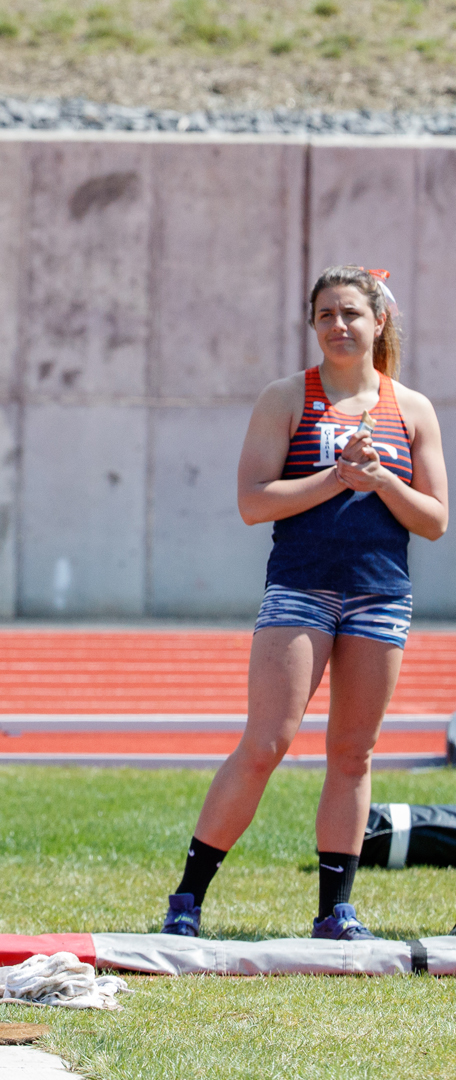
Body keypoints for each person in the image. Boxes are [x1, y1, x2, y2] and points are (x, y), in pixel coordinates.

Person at [162, 266, 447, 942]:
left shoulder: (412, 408)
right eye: (326, 315)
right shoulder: (287, 398)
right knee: (267, 741)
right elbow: (253, 502)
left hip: (381, 595)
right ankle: (188, 898)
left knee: (354, 752)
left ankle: (335, 910)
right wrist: (333, 479)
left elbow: (434, 519)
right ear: (313, 324)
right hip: (300, 590)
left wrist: (378, 480)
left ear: (379, 322)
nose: (339, 326)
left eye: (351, 313)